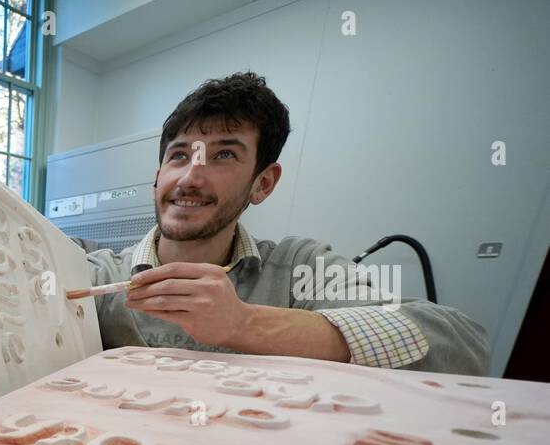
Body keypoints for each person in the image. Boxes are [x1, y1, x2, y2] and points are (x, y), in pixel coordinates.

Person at [84, 72, 490, 374]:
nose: (190, 176)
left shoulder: (300, 269)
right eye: (178, 155)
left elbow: (462, 346)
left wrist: (244, 323)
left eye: (224, 155)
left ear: (262, 183)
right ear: (157, 176)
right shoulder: (100, 275)